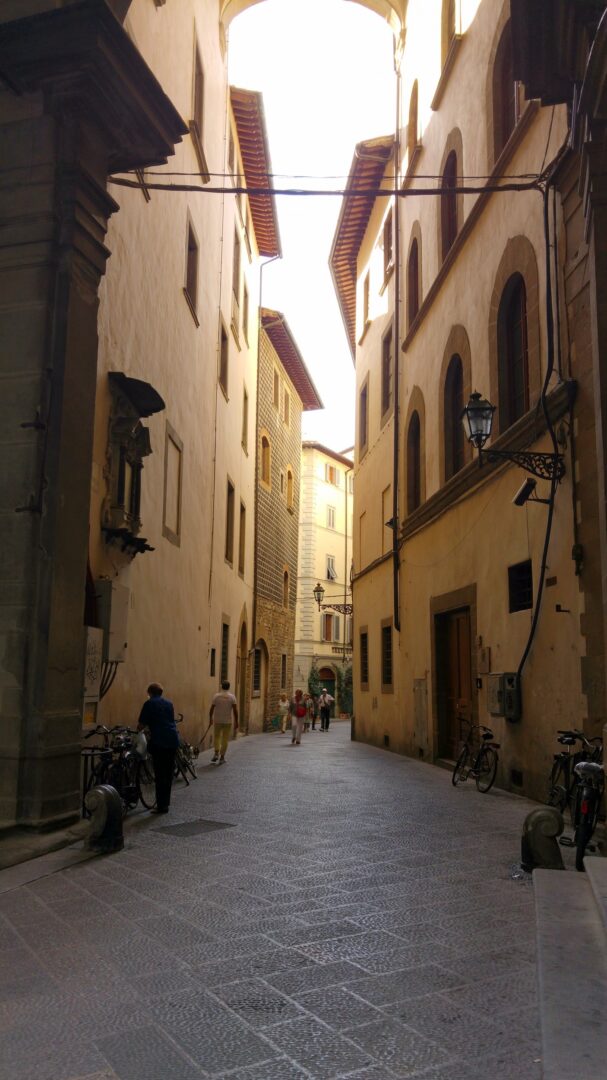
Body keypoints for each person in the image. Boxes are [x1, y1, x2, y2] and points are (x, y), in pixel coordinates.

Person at [137, 682, 179, 814]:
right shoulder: (169, 704)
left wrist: (138, 732)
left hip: (159, 741)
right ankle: (165, 803)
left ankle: (161, 806)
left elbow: (141, 724)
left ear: (149, 693)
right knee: (168, 773)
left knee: (160, 774)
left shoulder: (149, 704)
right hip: (172, 740)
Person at [209, 680, 238, 763]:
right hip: (227, 721)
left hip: (217, 720)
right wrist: (237, 721)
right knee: (225, 739)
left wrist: (210, 718)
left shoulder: (216, 696)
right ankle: (222, 757)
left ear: (221, 686)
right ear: (229, 687)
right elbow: (235, 711)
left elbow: (211, 709)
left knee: (217, 737)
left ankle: (216, 753)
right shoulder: (232, 697)